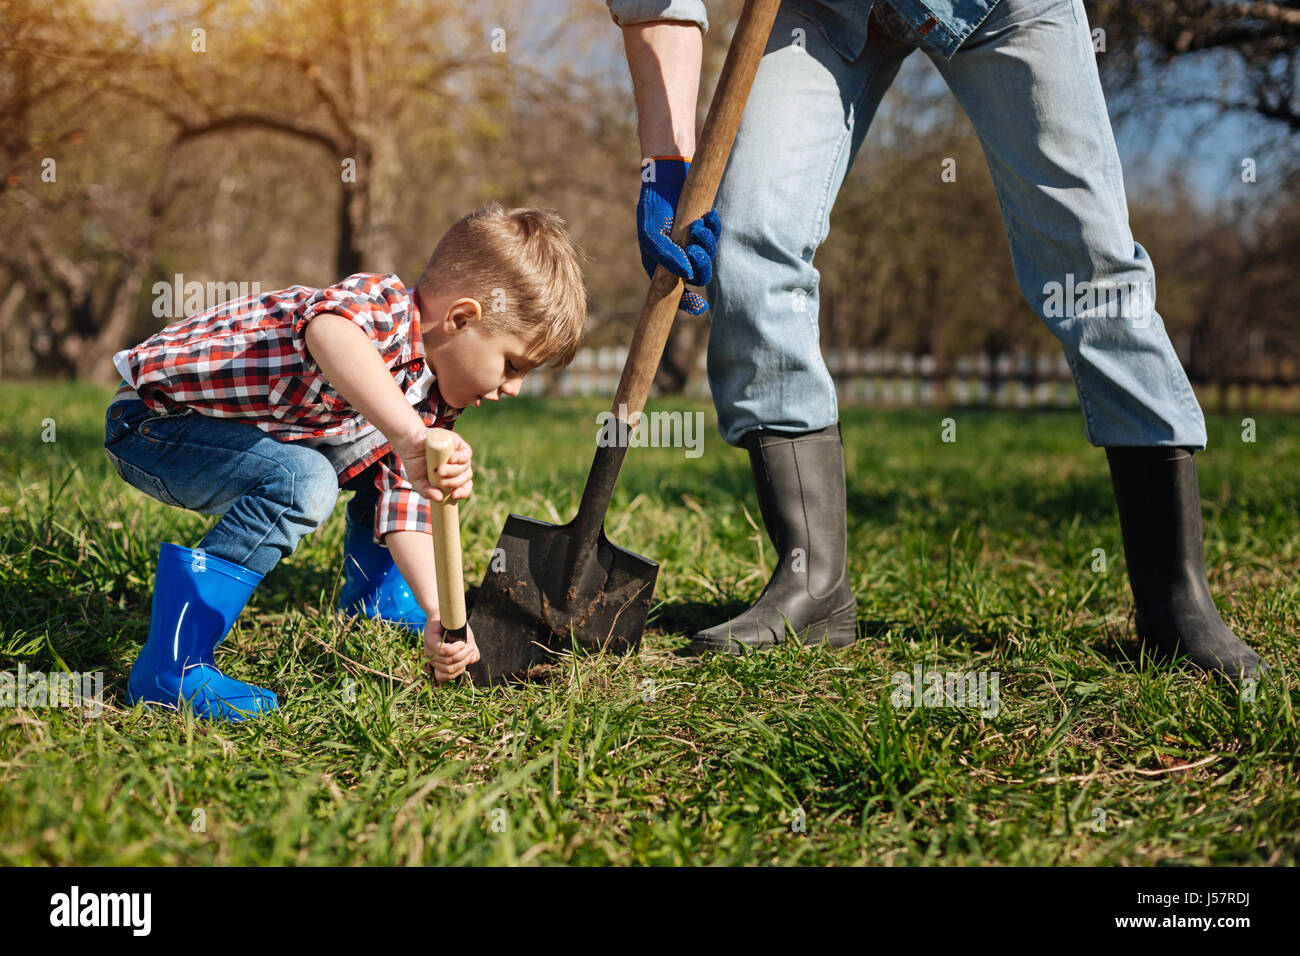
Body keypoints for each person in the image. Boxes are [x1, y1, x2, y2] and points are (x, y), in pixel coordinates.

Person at [610, 0, 1265, 679]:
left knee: (1088, 265)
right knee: (746, 242)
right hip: (825, 10)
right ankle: (813, 586)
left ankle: (1175, 600)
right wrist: (664, 161)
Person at [103, 203, 587, 720]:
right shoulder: (381, 310)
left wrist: (439, 611)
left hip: (242, 437)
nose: (513, 388)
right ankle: (169, 668)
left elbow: (406, 503)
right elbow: (329, 333)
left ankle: (378, 605)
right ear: (462, 318)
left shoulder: (431, 407)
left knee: (377, 470)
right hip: (155, 423)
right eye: (512, 365)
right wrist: (407, 434)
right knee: (304, 479)